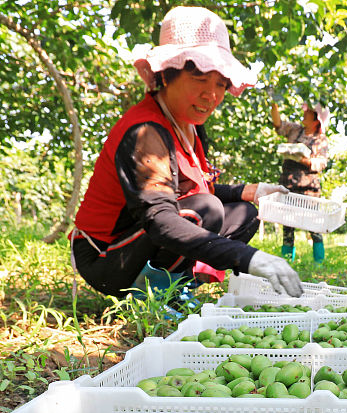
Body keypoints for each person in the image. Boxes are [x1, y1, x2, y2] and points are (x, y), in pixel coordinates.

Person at [70, 6, 303, 304]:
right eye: (200, 79)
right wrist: (250, 258)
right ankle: (152, 298)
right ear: (166, 76)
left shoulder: (187, 126)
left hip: (138, 239)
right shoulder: (146, 132)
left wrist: (249, 191)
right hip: (106, 255)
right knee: (205, 210)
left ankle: (177, 286)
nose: (213, 95)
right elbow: (161, 219)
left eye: (220, 83)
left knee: (245, 214)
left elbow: (190, 188)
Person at [270, 99, 330, 264]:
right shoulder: (295, 130)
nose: (304, 113)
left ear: (316, 118)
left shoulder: (320, 140)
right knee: (287, 225)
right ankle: (287, 261)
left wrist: (303, 159)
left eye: (308, 112)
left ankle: (319, 262)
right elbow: (278, 124)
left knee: (314, 224)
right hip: (288, 183)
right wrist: (274, 103)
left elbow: (321, 164)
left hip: (308, 186)